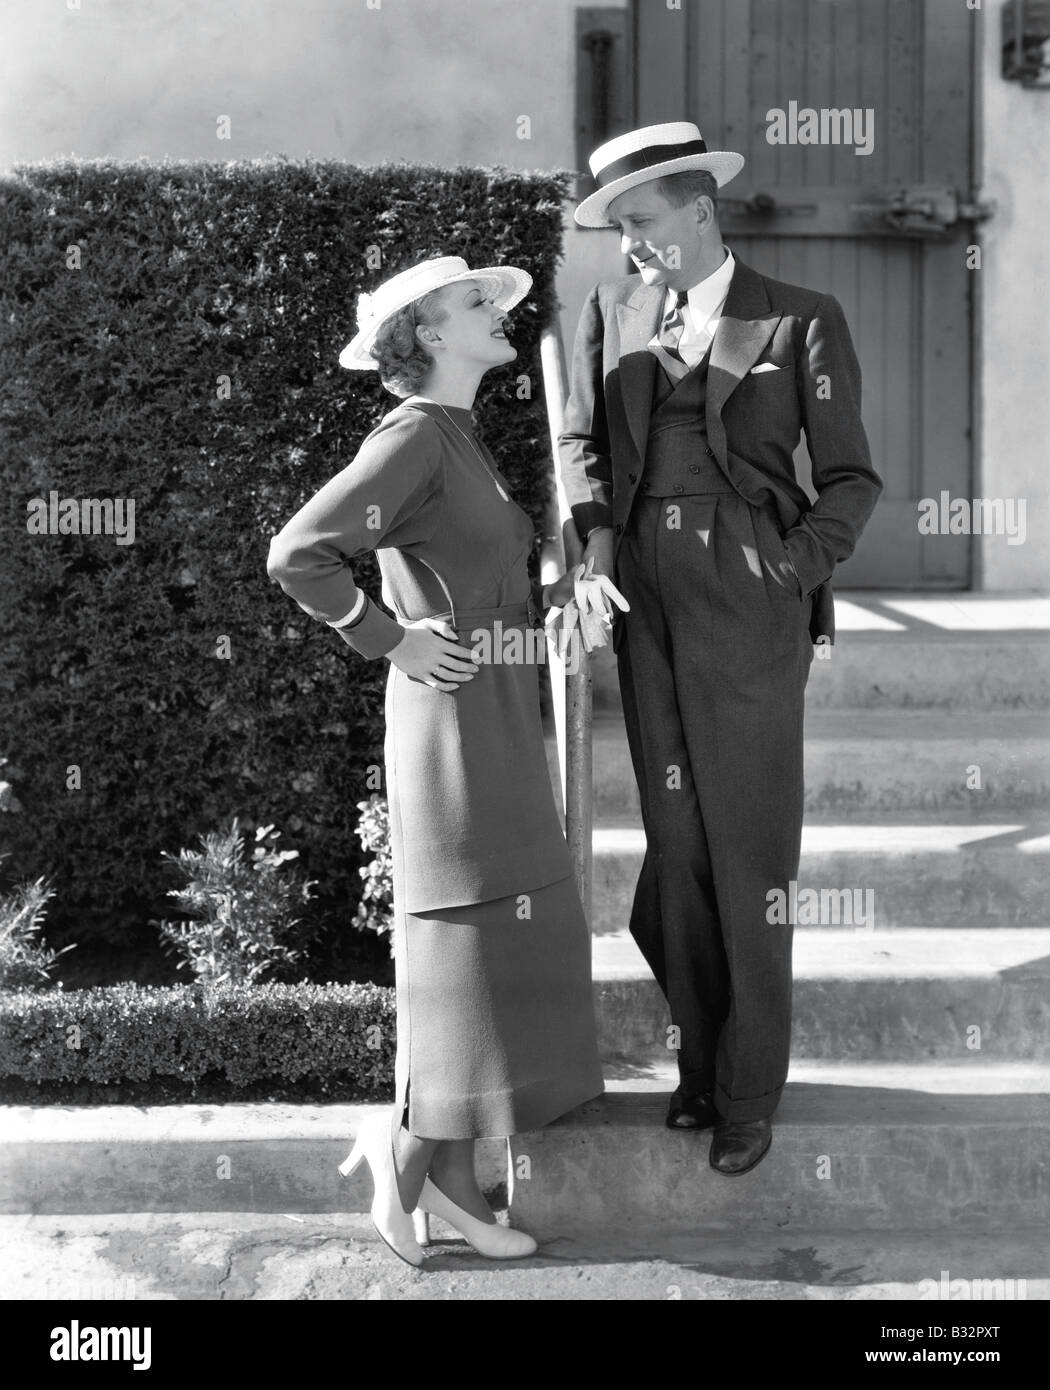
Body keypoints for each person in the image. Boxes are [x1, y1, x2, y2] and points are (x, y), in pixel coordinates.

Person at [559, 123, 883, 1175]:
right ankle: (700, 1053)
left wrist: (790, 568)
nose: (629, 246)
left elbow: (850, 479)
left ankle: (747, 1089)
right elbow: (580, 443)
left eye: (641, 223)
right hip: (646, 593)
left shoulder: (800, 318)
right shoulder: (613, 311)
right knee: (678, 844)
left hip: (749, 594)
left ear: (700, 208)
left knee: (749, 850)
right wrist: (592, 543)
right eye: (616, 230)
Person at [267, 255, 604, 1264]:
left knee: (505, 933)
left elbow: (481, 572)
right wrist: (391, 638)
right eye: (477, 305)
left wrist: (551, 609)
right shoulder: (413, 434)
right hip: (450, 716)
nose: (502, 312)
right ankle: (406, 1145)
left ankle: (456, 1186)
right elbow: (298, 552)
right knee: (467, 935)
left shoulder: (459, 432)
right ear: (424, 332)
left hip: (493, 703)